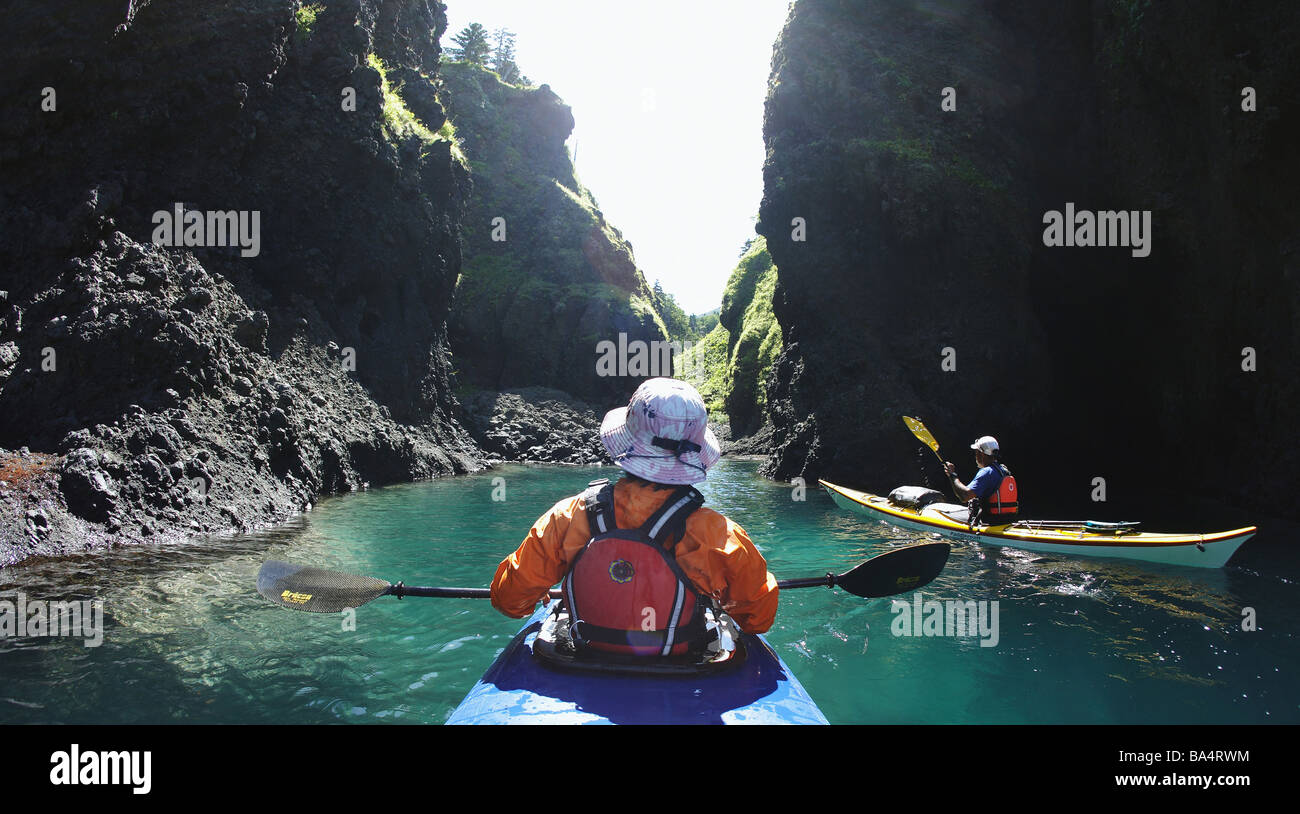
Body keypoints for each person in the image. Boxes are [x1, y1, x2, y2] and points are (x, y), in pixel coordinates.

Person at [489, 377, 778, 657]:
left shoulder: (567, 516)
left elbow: (510, 601)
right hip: (683, 661)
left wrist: (535, 593)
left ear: (627, 442)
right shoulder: (716, 533)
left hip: (586, 656)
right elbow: (758, 620)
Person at [942, 435, 1019, 524]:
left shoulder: (987, 472)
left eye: (976, 452)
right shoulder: (1004, 471)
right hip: (1007, 522)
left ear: (981, 454)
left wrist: (952, 475)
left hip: (990, 524)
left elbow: (965, 496)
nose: (975, 456)